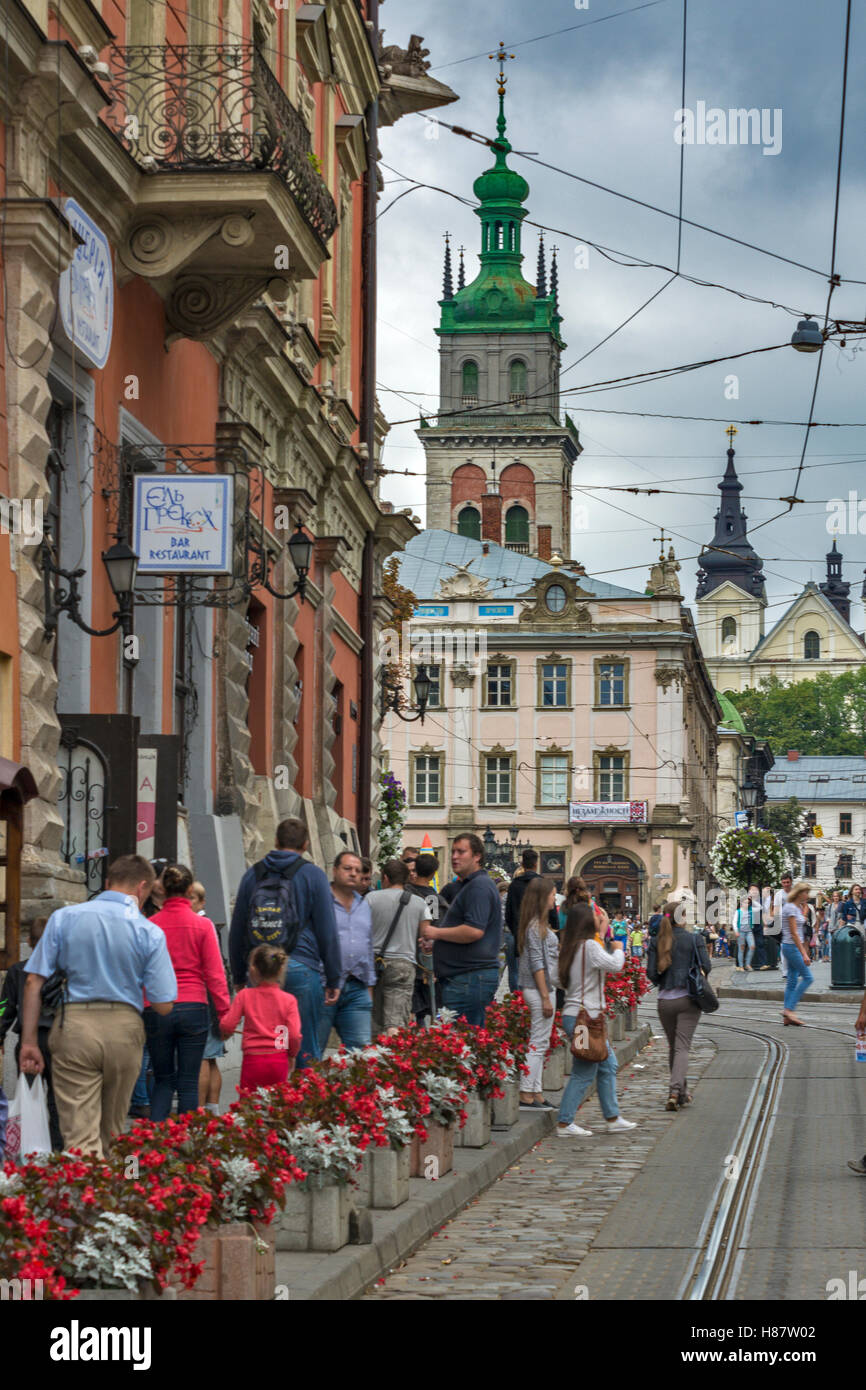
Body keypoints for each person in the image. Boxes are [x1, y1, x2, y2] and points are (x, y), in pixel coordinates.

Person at [19, 855, 177, 1157]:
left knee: (79, 1133)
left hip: (74, 1026)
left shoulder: (64, 918)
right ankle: (123, 1190)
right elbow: (163, 1004)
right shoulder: (149, 931)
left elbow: (33, 982)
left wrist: (29, 1042)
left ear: (107, 883)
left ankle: (85, 1194)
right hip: (124, 1029)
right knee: (115, 1131)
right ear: (142, 887)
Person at [229, 817, 341, 1070]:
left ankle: (261, 1102)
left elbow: (238, 929)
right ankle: (301, 1107)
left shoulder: (253, 874)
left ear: (276, 841)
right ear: (306, 844)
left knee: (262, 1046)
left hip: (260, 970)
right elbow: (328, 931)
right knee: (304, 1047)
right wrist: (333, 978)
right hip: (301, 966)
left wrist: (239, 974)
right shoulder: (313, 875)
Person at [146, 864, 231, 1122]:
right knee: (188, 1081)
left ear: (163, 890)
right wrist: (225, 1012)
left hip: (157, 1006)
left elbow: (142, 971)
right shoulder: (202, 925)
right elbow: (215, 974)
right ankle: (185, 1143)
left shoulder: (150, 925)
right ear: (189, 889)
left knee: (162, 1079)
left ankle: (154, 1139)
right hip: (194, 1005)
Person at [555, 903, 636, 1137]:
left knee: (607, 1065)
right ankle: (565, 1122)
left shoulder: (570, 946)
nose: (600, 918)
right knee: (583, 1070)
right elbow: (615, 965)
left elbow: (555, 978)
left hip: (579, 1016)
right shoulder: (589, 946)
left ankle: (612, 1117)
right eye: (596, 916)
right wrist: (619, 948)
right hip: (584, 1019)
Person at [419, 833, 501, 1026]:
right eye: (453, 851)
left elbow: (474, 931)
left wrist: (436, 933)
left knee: (464, 1045)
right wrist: (438, 942)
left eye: (461, 852)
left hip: (469, 978)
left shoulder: (478, 886)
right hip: (465, 977)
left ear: (477, 856)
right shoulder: (469, 885)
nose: (454, 856)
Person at [0, 918, 63, 1149]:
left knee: (29, 1096)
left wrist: (1, 1034)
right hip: (58, 1040)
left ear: (29, 941)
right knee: (58, 1100)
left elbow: (4, 1006)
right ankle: (58, 1148)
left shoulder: (18, 970)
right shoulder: (63, 971)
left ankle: (28, 1146)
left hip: (28, 1040)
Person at [647, 900, 711, 1111]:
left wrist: (662, 982)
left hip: (665, 1001)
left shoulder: (657, 940)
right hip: (688, 999)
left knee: (674, 1047)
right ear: (683, 918)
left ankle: (681, 1093)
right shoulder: (694, 939)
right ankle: (674, 1090)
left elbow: (651, 974)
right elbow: (707, 966)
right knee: (682, 1046)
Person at [219, 945, 301, 1094]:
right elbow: (294, 1035)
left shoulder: (244, 996)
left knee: (249, 1105)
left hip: (253, 1060)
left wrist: (224, 1031)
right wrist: (292, 1055)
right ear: (280, 969)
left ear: (254, 969)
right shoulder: (289, 1000)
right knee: (278, 1105)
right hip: (278, 1058)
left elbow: (228, 1024)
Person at [318, 851, 375, 1052]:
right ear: (334, 871)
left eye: (357, 871)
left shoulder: (364, 906)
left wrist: (369, 986)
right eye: (347, 868)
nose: (353, 874)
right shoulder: (320, 902)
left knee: (361, 1054)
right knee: (311, 1053)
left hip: (356, 986)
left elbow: (368, 945)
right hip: (322, 986)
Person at [367, 858, 430, 1036]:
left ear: (385, 877)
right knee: (395, 1022)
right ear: (406, 878)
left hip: (374, 964)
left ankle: (372, 1057)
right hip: (403, 963)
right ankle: (394, 1053)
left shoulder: (370, 899)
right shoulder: (420, 902)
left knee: (374, 1019)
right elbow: (426, 938)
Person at [516, 876, 559, 1111]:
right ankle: (526, 1093)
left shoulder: (537, 925)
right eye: (552, 894)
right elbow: (537, 963)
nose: (554, 898)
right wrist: (545, 996)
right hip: (538, 989)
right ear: (543, 897)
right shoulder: (535, 927)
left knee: (541, 1042)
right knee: (537, 1043)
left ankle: (536, 1092)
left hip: (542, 988)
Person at [187, 881, 226, 1115]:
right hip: (213, 1001)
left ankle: (200, 1110)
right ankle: (212, 1109)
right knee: (211, 1058)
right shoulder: (208, 925)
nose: (188, 902)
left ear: (202, 902)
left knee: (203, 1058)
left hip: (206, 1000)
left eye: (192, 899)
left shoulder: (203, 925)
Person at [409, 852, 441, 1024]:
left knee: (413, 1005)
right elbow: (432, 927)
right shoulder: (432, 898)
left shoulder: (405, 892)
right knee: (427, 1004)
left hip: (407, 953)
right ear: (433, 873)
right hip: (425, 956)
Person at [504, 850, 559, 948]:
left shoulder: (514, 885)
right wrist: (555, 930)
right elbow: (552, 912)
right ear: (536, 864)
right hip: (542, 935)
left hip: (520, 937)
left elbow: (508, 914)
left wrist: (516, 933)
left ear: (522, 865)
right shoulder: (544, 883)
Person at [781, 881, 814, 1026]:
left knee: (792, 981)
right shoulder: (791, 908)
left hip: (792, 946)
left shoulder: (796, 907)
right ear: (799, 893)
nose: (807, 895)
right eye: (806, 892)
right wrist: (804, 954)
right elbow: (794, 933)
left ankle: (787, 1017)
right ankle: (789, 1009)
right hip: (792, 947)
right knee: (808, 977)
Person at [769, 873, 791, 975]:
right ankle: (785, 971)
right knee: (784, 946)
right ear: (781, 883)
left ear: (791, 882)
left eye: (787, 882)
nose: (786, 884)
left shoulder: (795, 892)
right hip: (783, 924)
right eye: (784, 882)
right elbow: (776, 909)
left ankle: (795, 968)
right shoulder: (779, 894)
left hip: (795, 923)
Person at [733, 887, 758, 972]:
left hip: (749, 931)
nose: (746, 904)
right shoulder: (738, 911)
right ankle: (741, 966)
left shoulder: (751, 910)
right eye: (745, 903)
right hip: (741, 932)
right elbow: (734, 922)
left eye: (748, 903)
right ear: (741, 903)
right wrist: (736, 931)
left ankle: (747, 964)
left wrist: (751, 897)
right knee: (742, 948)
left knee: (752, 946)